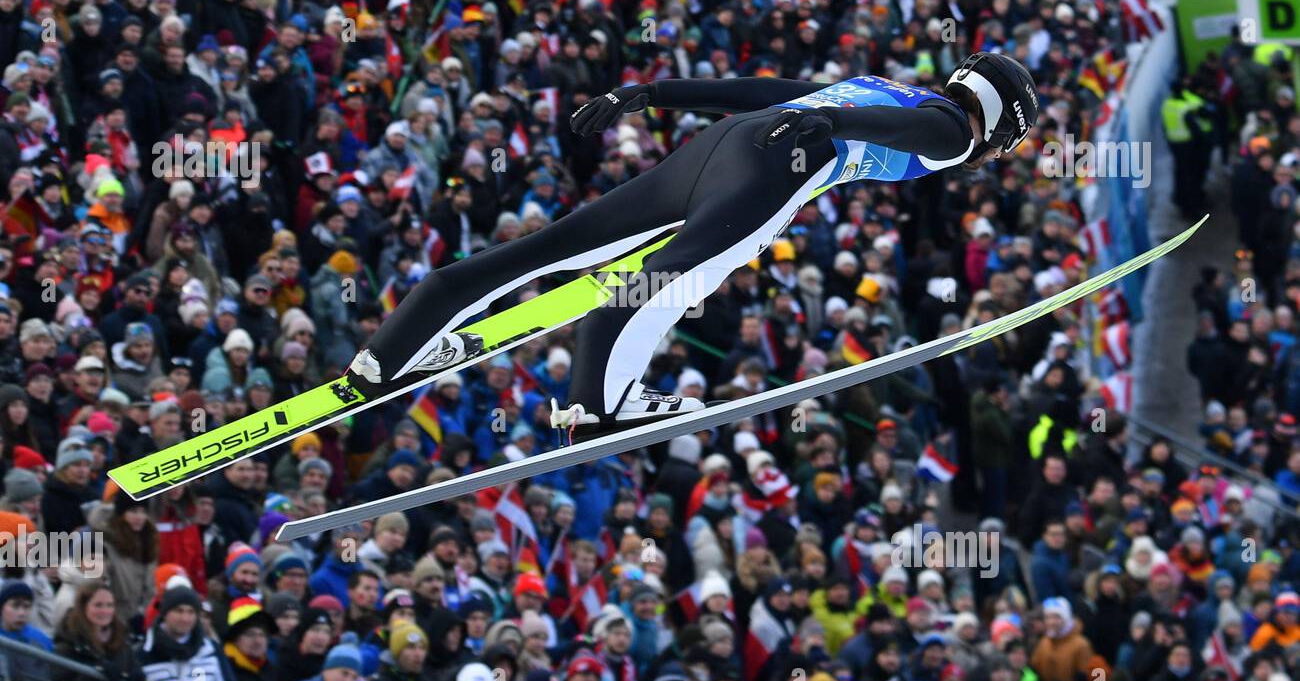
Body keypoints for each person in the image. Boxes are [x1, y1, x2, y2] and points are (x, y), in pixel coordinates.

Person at [351, 55, 1039, 431]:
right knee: (675, 278)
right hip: (779, 164)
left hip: (721, 143)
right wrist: (833, 126)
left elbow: (762, 88)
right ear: (1003, 127)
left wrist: (652, 92)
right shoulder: (953, 132)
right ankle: (598, 404)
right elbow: (918, 138)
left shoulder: (889, 87)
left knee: (558, 245)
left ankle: (392, 350)